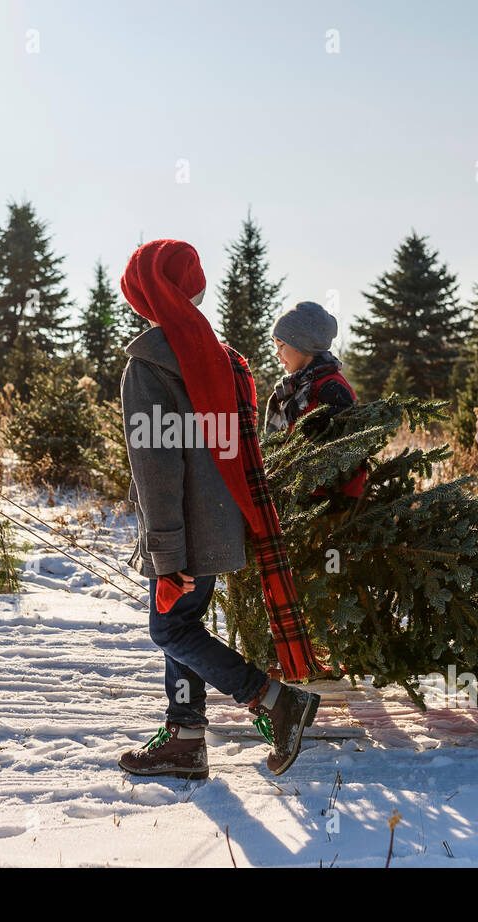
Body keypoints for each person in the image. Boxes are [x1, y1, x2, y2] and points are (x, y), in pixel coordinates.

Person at [116, 239, 323, 779]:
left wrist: (167, 556)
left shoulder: (151, 363)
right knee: (182, 625)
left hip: (181, 530)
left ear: (145, 292)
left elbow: (159, 468)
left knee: (170, 631)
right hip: (219, 521)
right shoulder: (218, 354)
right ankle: (185, 737)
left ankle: (275, 702)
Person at [263, 301, 366, 502]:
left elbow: (346, 453)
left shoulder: (331, 387)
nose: (277, 354)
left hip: (327, 502)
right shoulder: (293, 389)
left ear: (304, 346)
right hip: (298, 497)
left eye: (282, 345)